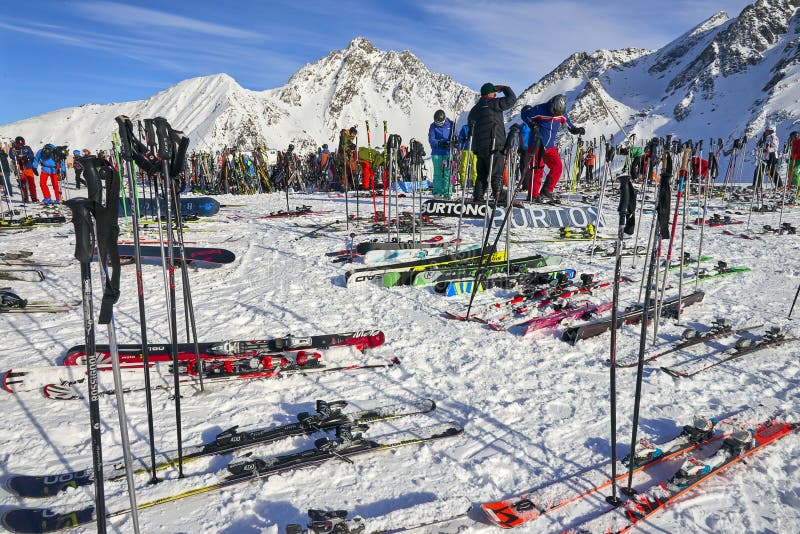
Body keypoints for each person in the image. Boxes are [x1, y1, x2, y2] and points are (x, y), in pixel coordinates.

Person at [521, 94, 584, 200]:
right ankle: (533, 195)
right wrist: (532, 124)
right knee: (538, 169)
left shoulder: (560, 114)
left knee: (557, 167)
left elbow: (567, 122)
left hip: (550, 147)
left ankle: (546, 190)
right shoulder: (539, 109)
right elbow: (524, 115)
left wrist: (575, 129)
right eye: (554, 112)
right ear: (551, 105)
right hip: (537, 145)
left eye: (558, 113)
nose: (556, 115)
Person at [468, 82, 516, 203]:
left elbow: (471, 128)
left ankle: (478, 196)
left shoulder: (474, 110)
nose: (495, 95)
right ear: (490, 93)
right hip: (494, 144)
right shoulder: (494, 104)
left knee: (482, 174)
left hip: (479, 147)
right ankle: (499, 195)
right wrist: (505, 88)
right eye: (494, 92)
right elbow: (512, 100)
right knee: (496, 172)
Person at [428, 109, 454, 197]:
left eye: (440, 123)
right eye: (437, 123)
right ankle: (437, 192)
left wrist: (455, 141)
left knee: (448, 172)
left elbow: (455, 136)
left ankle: (448, 192)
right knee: (437, 173)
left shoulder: (451, 124)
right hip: (437, 152)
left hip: (447, 152)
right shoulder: (433, 126)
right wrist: (439, 143)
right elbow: (431, 139)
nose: (438, 125)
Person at [9, 136, 37, 202]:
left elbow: (32, 155)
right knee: (22, 184)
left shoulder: (27, 148)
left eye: (22, 144)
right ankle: (25, 197)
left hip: (28, 167)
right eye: (19, 144)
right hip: (20, 168)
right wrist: (15, 153)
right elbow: (11, 156)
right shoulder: (14, 149)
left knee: (31, 183)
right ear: (16, 143)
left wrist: (26, 157)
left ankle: (34, 198)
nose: (21, 145)